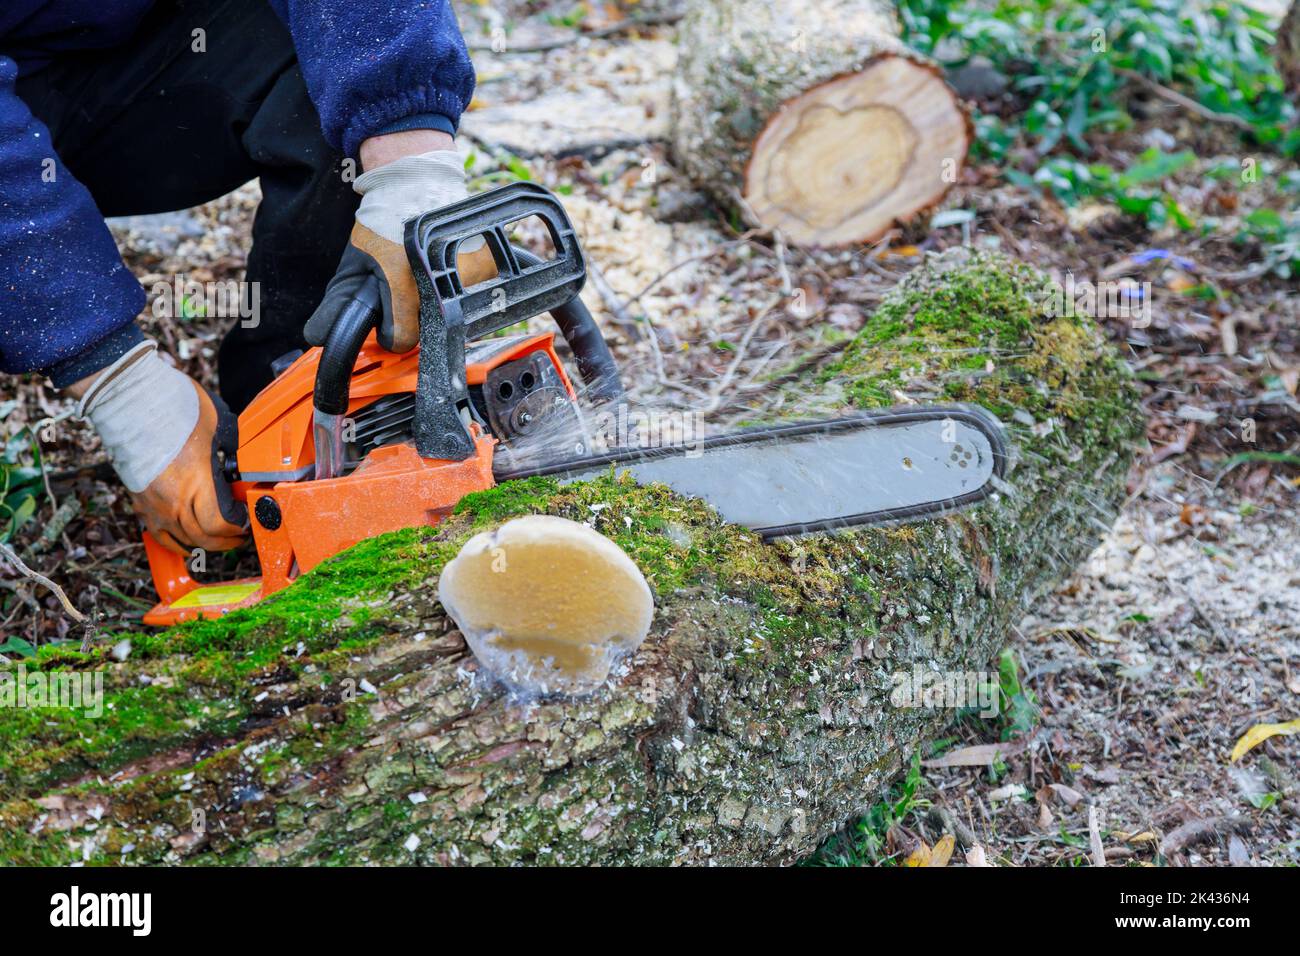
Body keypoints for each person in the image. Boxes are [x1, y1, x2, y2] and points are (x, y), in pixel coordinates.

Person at [0, 0, 492, 554]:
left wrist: (410, 163)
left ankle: (296, 418)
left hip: (140, 52)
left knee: (325, 44)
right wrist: (119, 385)